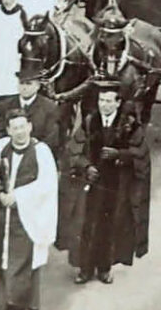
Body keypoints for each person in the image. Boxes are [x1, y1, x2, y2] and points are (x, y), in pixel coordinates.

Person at [0, 108, 60, 310]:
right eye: (15, 128)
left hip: (27, 216)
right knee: (2, 257)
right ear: (9, 130)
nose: (19, 132)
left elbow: (47, 183)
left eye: (23, 126)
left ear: (29, 127)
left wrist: (19, 196)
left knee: (19, 260)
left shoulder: (41, 151)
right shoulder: (1, 147)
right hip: (2, 214)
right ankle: (4, 300)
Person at [61, 85, 151, 284]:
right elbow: (74, 150)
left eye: (109, 101)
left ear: (118, 103)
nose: (104, 105)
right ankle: (85, 269)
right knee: (86, 224)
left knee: (109, 226)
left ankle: (104, 268)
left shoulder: (130, 125)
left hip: (117, 185)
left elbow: (142, 155)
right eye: (101, 100)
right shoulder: (90, 120)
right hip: (92, 184)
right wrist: (86, 167)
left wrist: (121, 155)